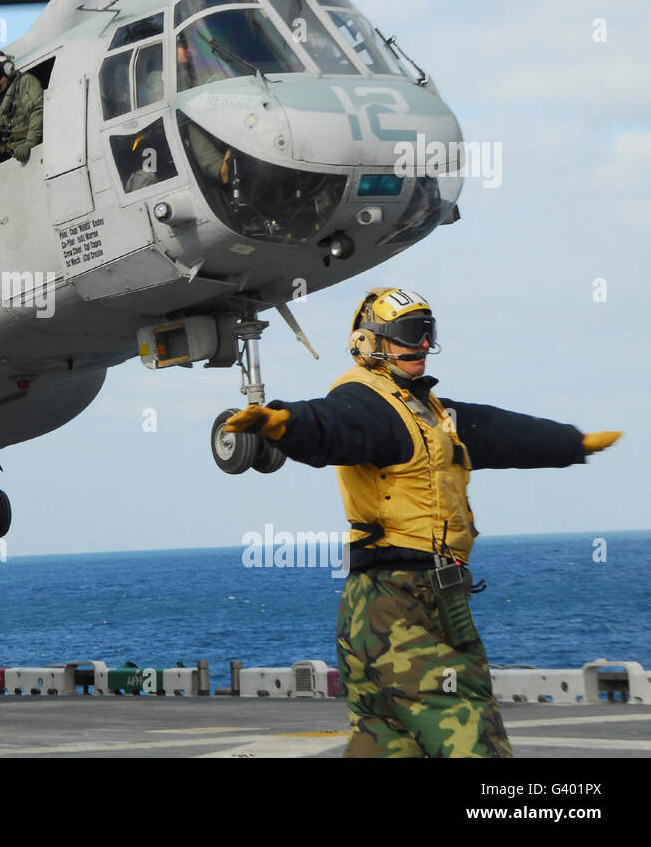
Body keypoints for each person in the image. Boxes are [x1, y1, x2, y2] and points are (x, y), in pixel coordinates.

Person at [223, 287, 621, 758]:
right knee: (469, 731)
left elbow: (497, 431)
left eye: (428, 334)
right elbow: (333, 425)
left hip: (378, 609)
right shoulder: (369, 403)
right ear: (370, 343)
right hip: (406, 605)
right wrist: (285, 423)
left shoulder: (429, 414)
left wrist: (570, 445)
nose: (423, 345)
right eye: (411, 335)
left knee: (387, 743)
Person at [0, 50, 43, 165]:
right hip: (17, 162)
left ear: (7, 68)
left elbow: (37, 111)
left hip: (34, 154)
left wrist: (30, 143)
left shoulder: (25, 83)